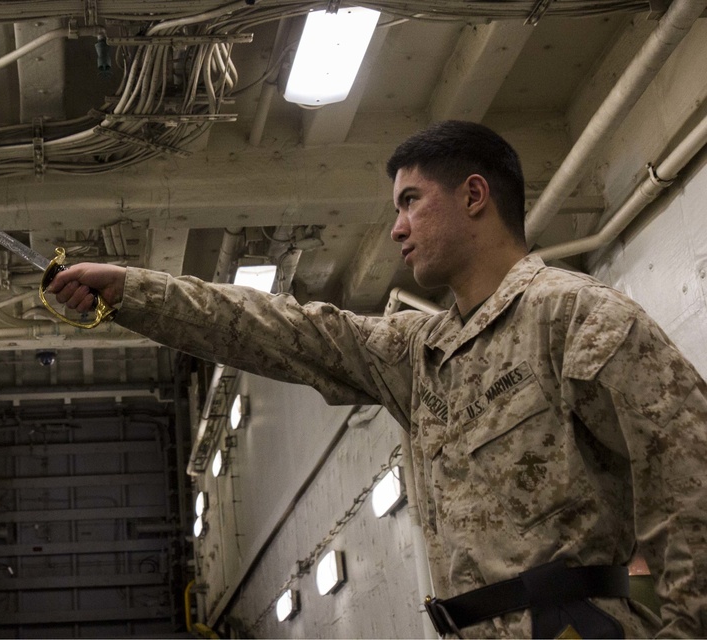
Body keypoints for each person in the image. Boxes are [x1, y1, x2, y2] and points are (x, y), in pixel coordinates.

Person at [47, 120, 707, 637]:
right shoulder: (419, 356)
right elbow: (277, 330)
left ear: (474, 195)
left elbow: (691, 481)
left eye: (411, 202)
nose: (395, 229)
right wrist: (134, 291)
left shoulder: (574, 316)